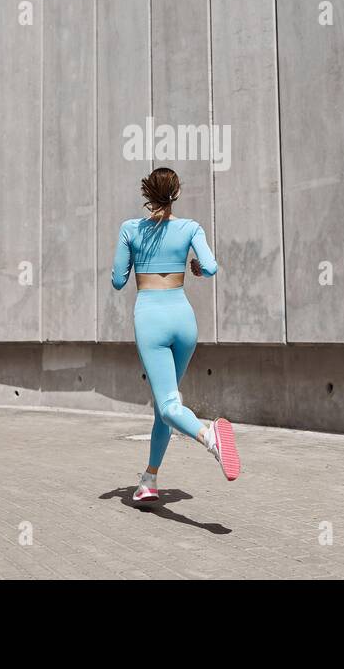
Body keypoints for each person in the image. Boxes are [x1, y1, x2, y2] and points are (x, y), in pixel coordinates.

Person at [111, 167, 240, 503]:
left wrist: (134, 257)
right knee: (163, 406)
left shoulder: (130, 229)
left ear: (147, 194)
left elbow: (117, 280)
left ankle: (210, 437)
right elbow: (210, 267)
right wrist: (194, 267)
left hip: (151, 319)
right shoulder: (189, 228)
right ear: (176, 193)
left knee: (169, 404)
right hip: (184, 321)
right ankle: (149, 480)